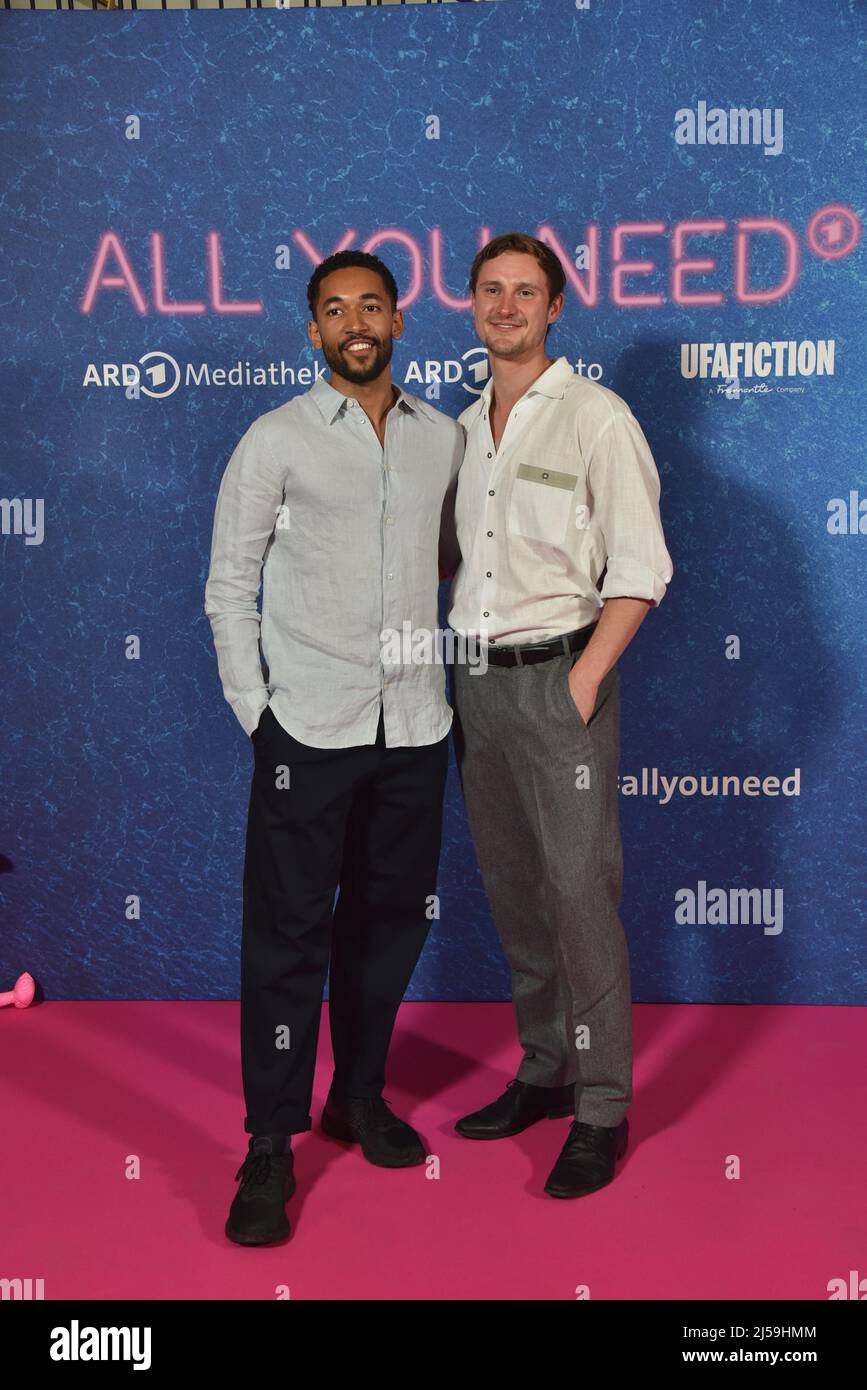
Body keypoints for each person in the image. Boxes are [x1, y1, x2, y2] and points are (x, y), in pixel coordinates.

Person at [204, 249, 464, 1245]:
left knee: (388, 926)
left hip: (416, 728)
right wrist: (257, 713)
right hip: (305, 728)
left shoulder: (443, 437)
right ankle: (270, 1143)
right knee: (286, 942)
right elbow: (230, 585)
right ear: (312, 333)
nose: (355, 321)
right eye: (333, 310)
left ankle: (357, 1095)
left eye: (372, 305)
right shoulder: (273, 441)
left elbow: (448, 556)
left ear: (401, 320)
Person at [448, 232, 674, 1198]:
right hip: (473, 686)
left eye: (524, 292)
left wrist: (581, 682)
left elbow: (642, 568)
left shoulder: (596, 417)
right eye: (491, 291)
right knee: (516, 894)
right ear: (470, 304)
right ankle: (545, 1070)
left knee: (580, 898)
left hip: (558, 682)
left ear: (554, 308)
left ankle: (603, 1107)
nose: (506, 307)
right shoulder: (458, 427)